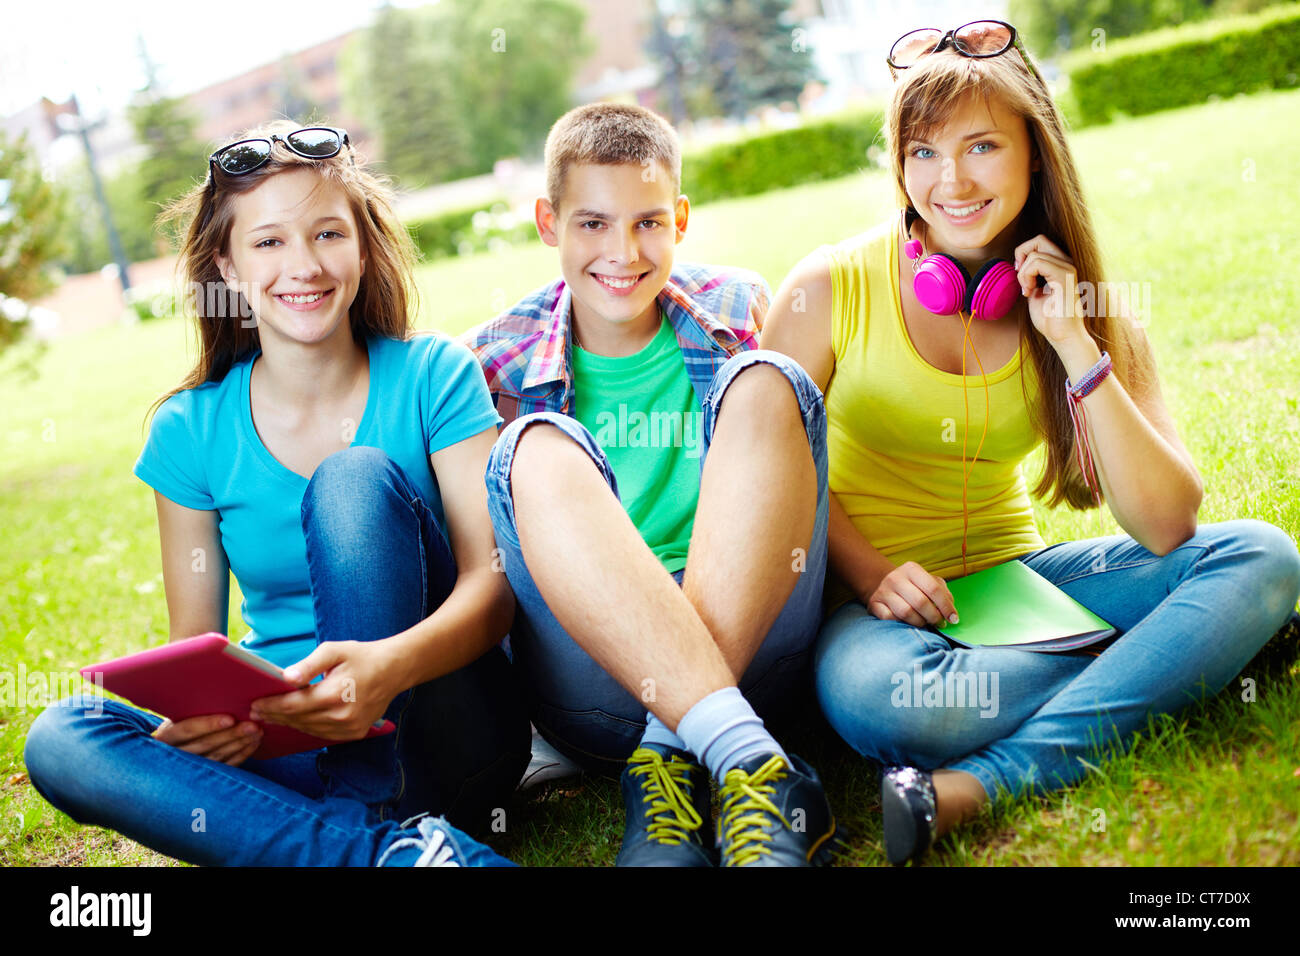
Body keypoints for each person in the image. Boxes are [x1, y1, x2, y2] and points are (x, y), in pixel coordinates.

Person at [759, 21, 1300, 865]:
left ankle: (986, 783)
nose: (951, 180)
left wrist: (1075, 345)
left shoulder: (1081, 299)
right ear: (899, 167)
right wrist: (871, 571)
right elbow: (769, 470)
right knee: (898, 707)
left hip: (1019, 587)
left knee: (1262, 559)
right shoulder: (828, 286)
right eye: (923, 152)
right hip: (875, 614)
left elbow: (1165, 526)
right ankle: (1178, 656)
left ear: (1036, 154)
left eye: (981, 146)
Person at [24, 121, 530, 867]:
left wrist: (385, 670)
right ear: (226, 267)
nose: (304, 265)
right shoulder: (188, 431)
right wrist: (208, 731)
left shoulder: (435, 374)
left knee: (351, 480)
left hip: (438, 720)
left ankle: (347, 821)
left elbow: (492, 592)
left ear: (362, 246)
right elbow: (194, 652)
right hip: (289, 740)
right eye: (268, 243)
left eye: (328, 234)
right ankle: (384, 854)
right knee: (63, 738)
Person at [461, 103, 838, 867]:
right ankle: (747, 764)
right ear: (547, 221)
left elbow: (789, 483)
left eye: (648, 223)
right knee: (537, 444)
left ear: (681, 219)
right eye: (592, 224)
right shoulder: (491, 363)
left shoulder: (736, 308)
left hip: (761, 648)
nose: (622, 253)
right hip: (599, 685)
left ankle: (675, 762)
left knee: (769, 380)